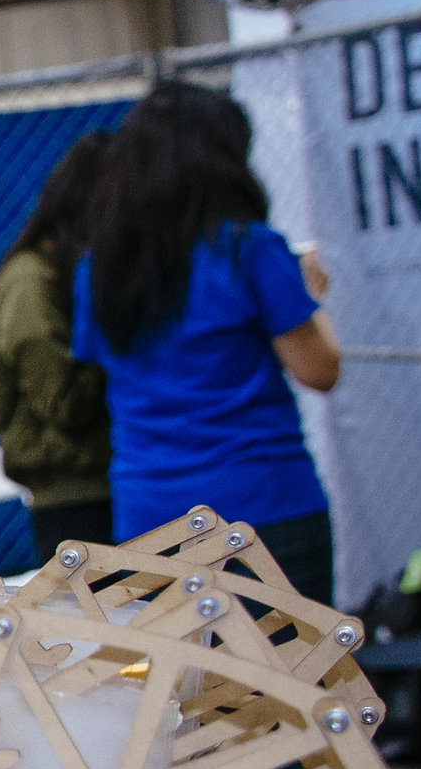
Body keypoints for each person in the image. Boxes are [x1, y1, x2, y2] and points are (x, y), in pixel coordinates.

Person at [69, 79, 340, 604]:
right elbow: (320, 371)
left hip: (149, 513)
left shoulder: (99, 268)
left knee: (175, 660)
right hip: (263, 504)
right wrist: (309, 296)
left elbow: (107, 366)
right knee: (290, 657)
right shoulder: (250, 249)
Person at [0, 130, 117, 556]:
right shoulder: (31, 284)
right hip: (76, 497)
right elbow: (64, 402)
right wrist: (117, 338)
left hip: (100, 483)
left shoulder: (54, 274)